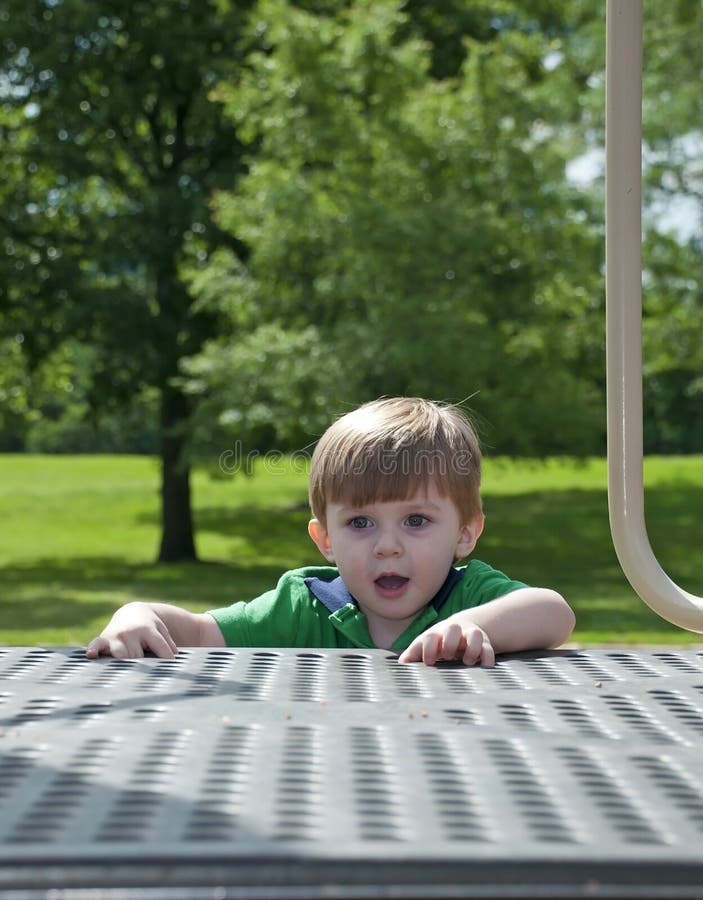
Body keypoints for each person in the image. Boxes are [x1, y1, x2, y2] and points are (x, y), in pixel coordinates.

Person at [86, 397, 575, 666]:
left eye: (416, 521)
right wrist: (137, 613)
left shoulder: (468, 595)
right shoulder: (306, 605)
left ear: (466, 534)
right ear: (325, 540)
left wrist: (475, 626)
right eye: (360, 523)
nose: (387, 546)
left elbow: (554, 612)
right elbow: (196, 631)